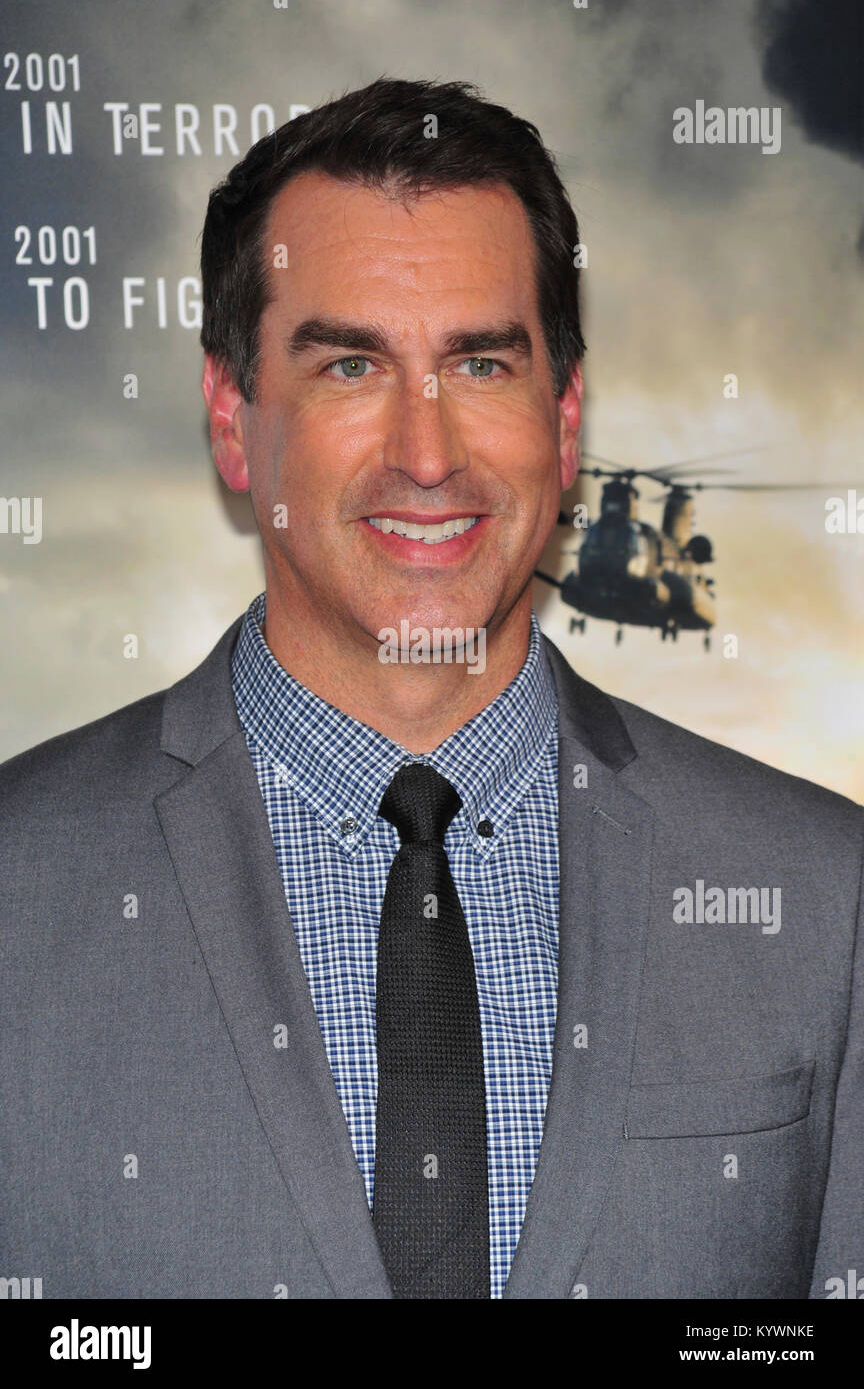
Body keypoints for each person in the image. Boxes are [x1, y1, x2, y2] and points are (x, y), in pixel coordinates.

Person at [0, 77, 861, 1302]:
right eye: (351, 364)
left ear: (564, 422)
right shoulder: (16, 888)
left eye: (482, 363)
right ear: (234, 419)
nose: (426, 452)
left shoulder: (825, 902)